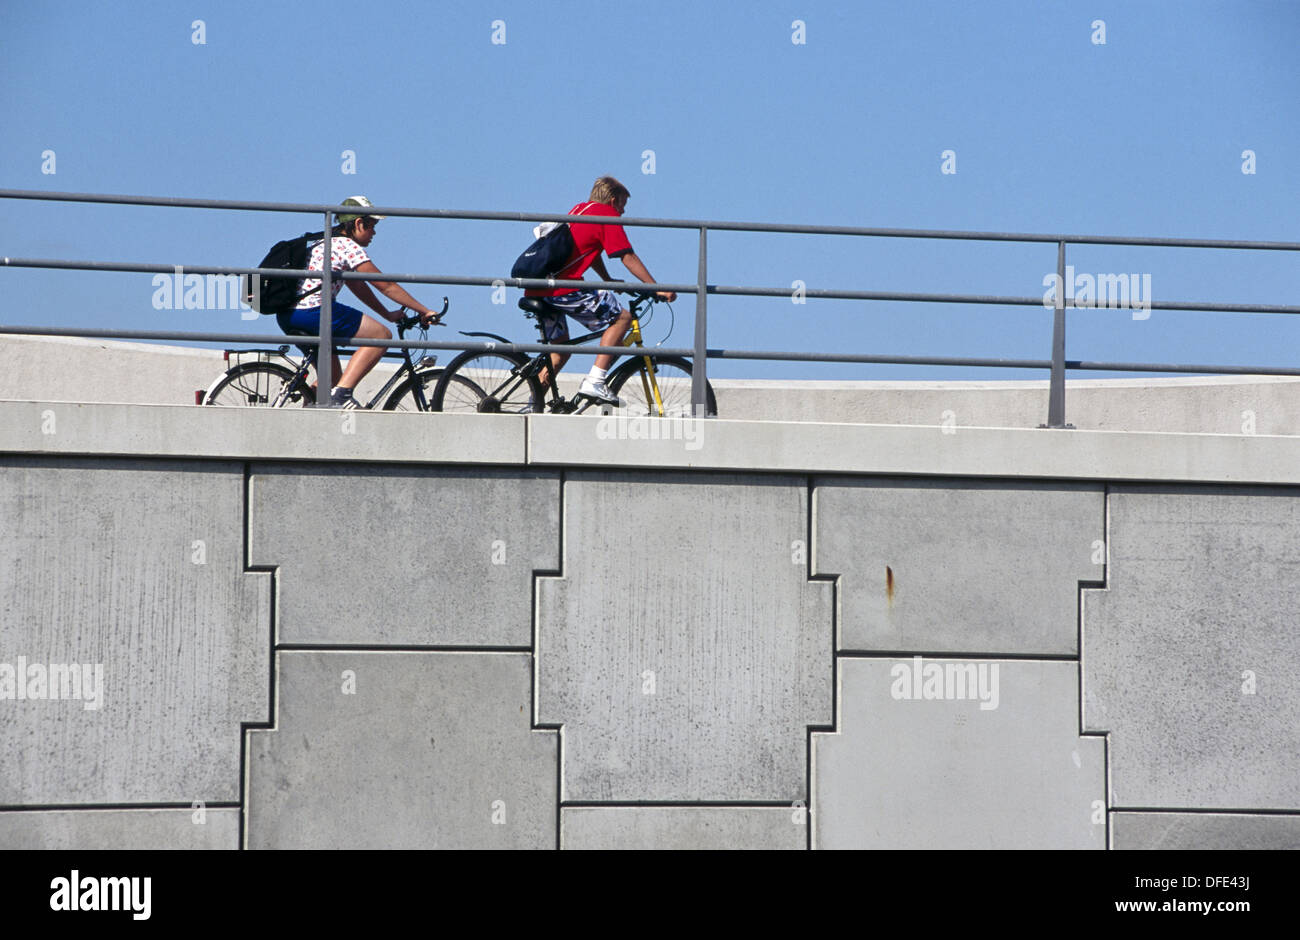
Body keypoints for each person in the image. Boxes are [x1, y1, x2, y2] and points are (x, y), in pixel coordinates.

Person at [277, 196, 442, 408]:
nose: (374, 232)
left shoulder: (324, 241)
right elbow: (386, 285)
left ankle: (309, 412)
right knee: (381, 335)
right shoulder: (347, 246)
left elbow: (359, 286)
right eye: (372, 225)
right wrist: (424, 310)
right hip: (314, 311)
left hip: (289, 315)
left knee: (332, 379)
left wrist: (387, 314)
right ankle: (343, 396)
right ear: (358, 223)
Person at [524, 176, 676, 405]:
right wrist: (656, 288)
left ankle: (531, 407)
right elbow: (627, 255)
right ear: (613, 201)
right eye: (623, 206)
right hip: (561, 288)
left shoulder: (580, 210)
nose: (622, 213)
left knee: (559, 353)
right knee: (622, 318)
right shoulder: (607, 215)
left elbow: (589, 248)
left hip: (538, 288)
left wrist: (606, 279)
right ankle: (595, 381)